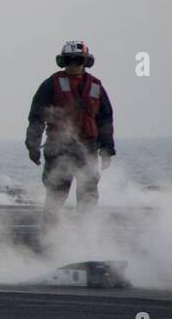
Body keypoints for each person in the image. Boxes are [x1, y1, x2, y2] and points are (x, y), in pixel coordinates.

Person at [25, 41, 115, 223]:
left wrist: (107, 150)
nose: (73, 65)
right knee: (56, 194)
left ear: (86, 62)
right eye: (69, 61)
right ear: (62, 62)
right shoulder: (51, 85)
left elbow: (105, 120)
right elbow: (36, 117)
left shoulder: (96, 87)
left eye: (78, 61)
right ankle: (50, 238)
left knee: (88, 194)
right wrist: (32, 145)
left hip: (87, 148)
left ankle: (86, 234)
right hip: (58, 148)